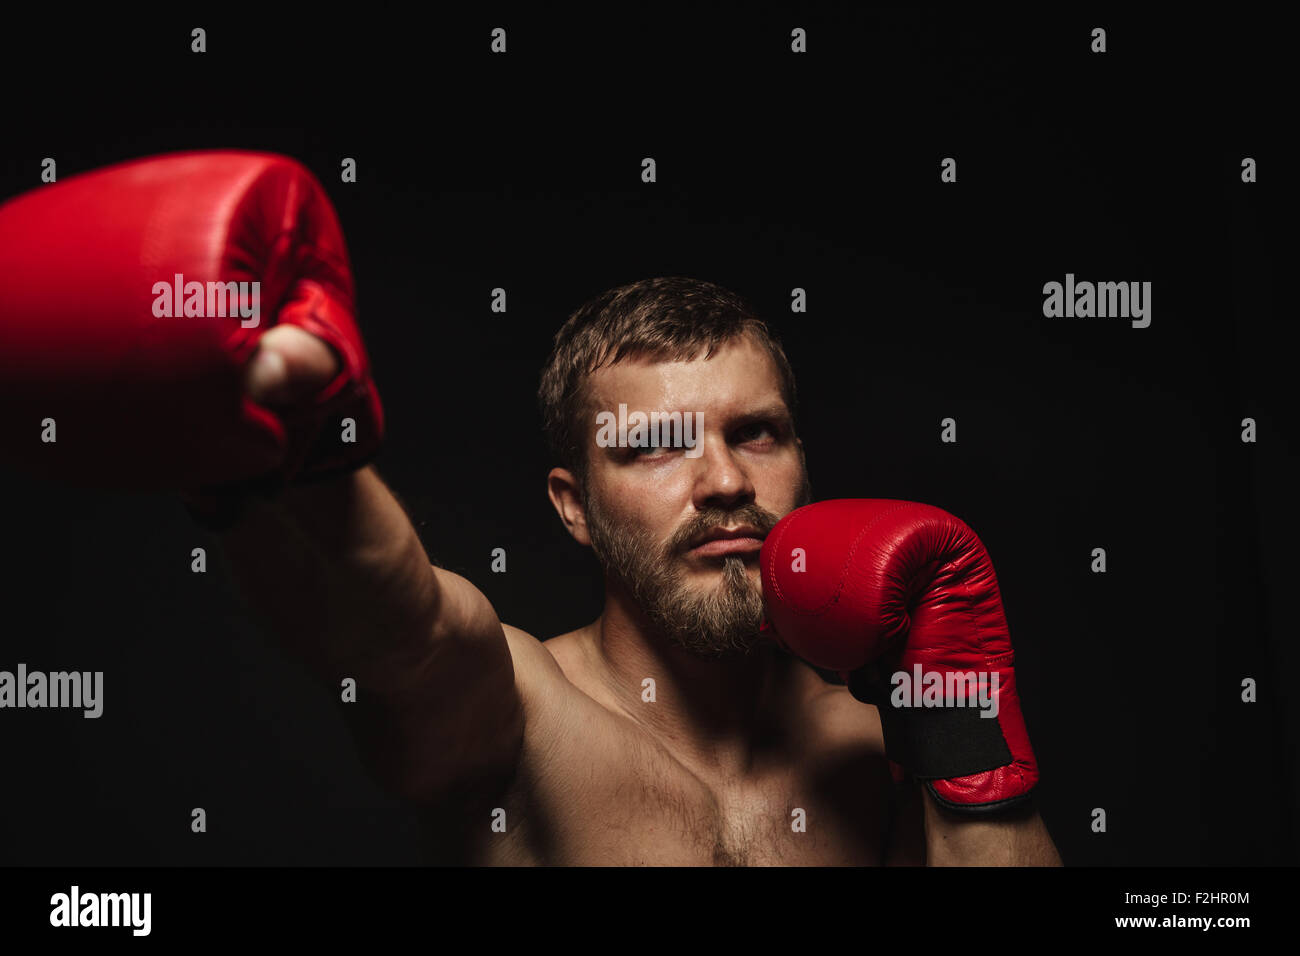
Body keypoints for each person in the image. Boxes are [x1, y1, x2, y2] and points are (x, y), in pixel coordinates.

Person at [0, 152, 1061, 865]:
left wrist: (964, 730)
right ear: (575, 507)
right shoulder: (524, 714)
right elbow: (403, 632)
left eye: (757, 432)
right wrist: (294, 457)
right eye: (651, 447)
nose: (725, 481)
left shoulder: (885, 725)